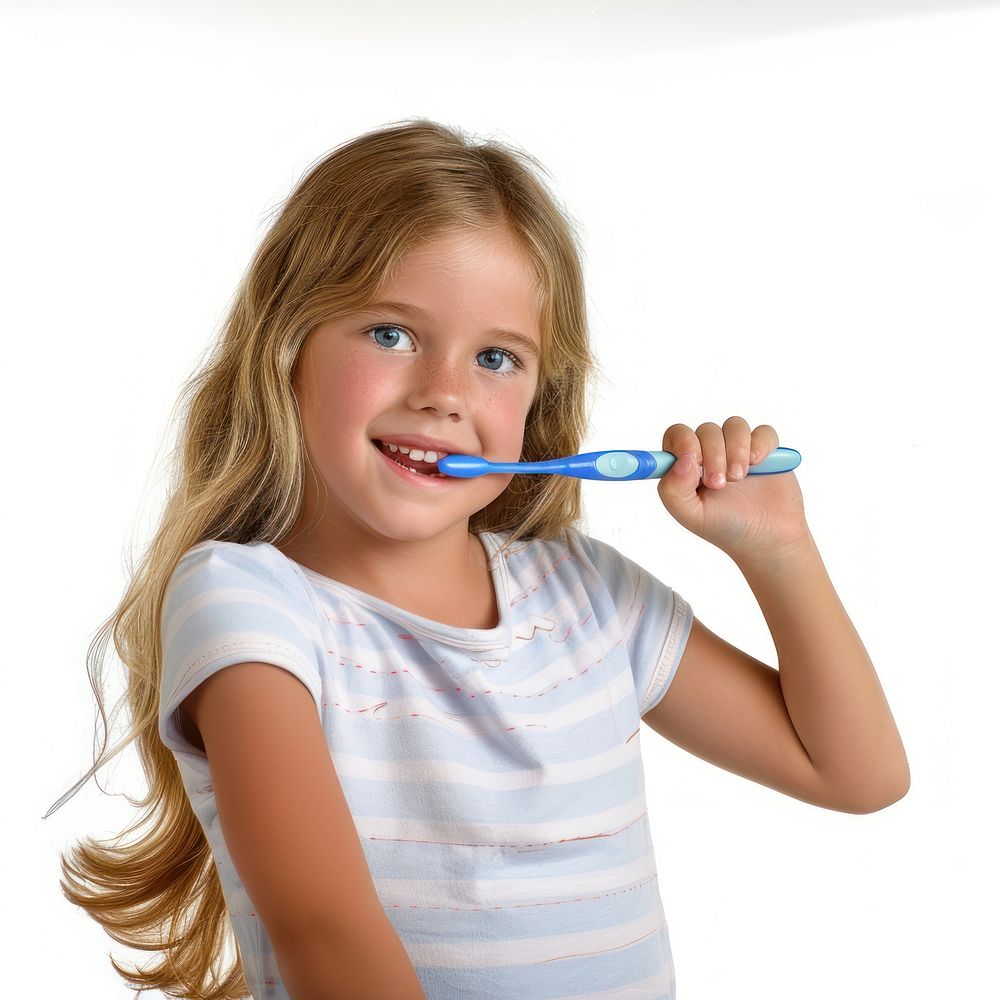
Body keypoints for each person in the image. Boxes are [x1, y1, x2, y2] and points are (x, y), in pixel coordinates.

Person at [43, 117, 909, 1000]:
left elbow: (858, 773)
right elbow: (328, 937)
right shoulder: (248, 605)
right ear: (287, 347)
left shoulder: (587, 594)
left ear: (541, 403)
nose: (444, 394)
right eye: (391, 334)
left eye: (496, 357)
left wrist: (779, 552)